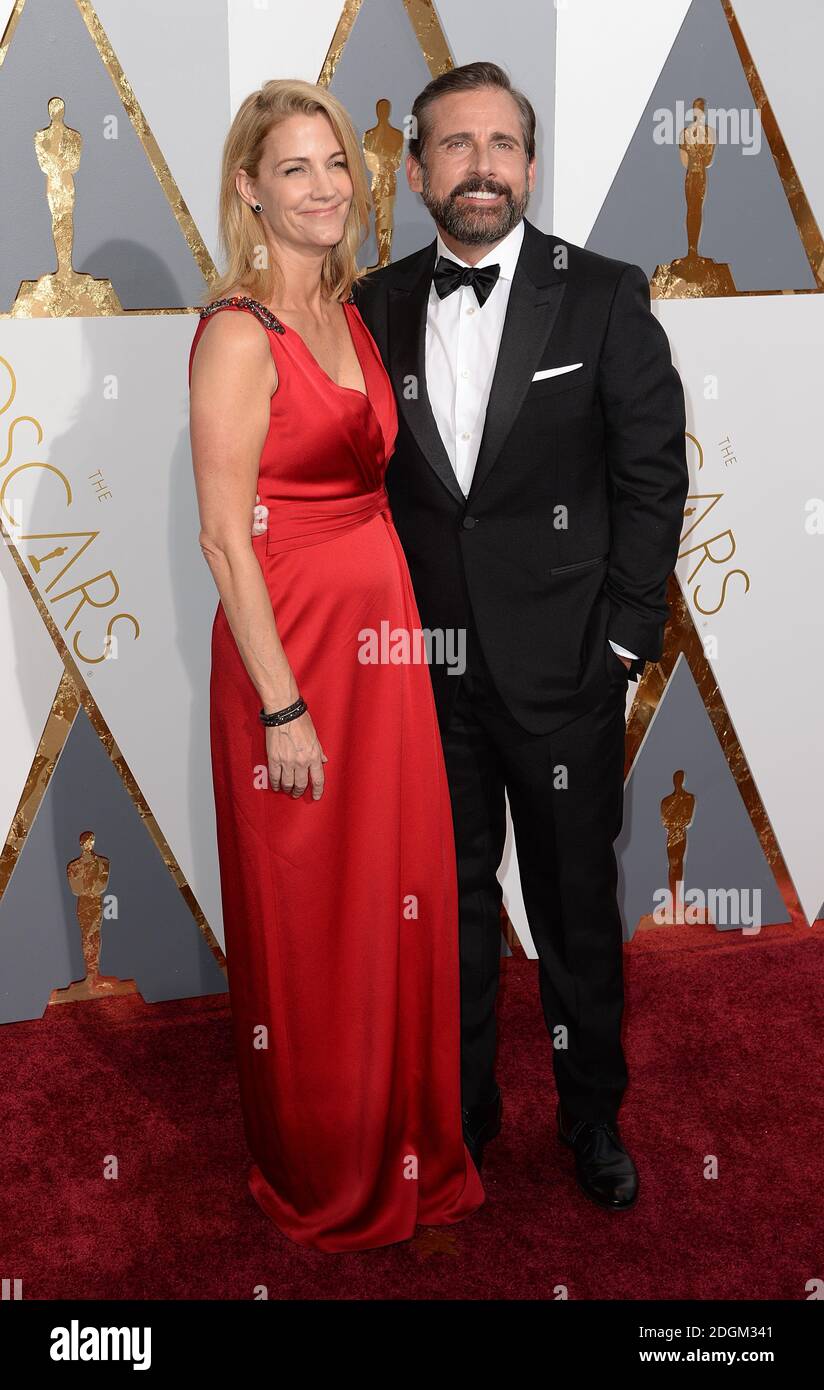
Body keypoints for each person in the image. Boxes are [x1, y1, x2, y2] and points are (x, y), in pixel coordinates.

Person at [351, 62, 690, 1209]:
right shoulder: (371, 304)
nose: (481, 165)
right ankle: (465, 1125)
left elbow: (650, 474)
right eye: (455, 145)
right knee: (446, 918)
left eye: (502, 144)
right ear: (415, 170)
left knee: (572, 915)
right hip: (424, 679)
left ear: (530, 167)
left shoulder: (598, 294)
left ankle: (590, 1114)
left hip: (564, 675)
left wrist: (621, 641)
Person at [188, 78, 484, 1252]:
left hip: (383, 649)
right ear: (249, 188)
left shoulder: (352, 313)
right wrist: (282, 706)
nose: (322, 187)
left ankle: (406, 1146)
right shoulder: (233, 331)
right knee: (314, 918)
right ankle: (324, 1168)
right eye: (293, 169)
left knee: (394, 898)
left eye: (333, 165)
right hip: (293, 662)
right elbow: (223, 535)